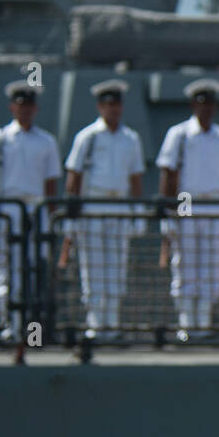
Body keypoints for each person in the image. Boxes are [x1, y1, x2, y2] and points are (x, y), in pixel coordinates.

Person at [58, 79, 146, 346]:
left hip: (118, 207)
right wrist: (70, 219)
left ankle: (113, 323)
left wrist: (137, 214)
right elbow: (73, 178)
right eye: (108, 104)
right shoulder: (87, 137)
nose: (113, 109)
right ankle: (96, 325)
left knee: (116, 268)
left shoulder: (131, 139)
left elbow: (135, 180)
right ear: (100, 106)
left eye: (116, 104)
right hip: (92, 207)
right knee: (93, 268)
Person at [156, 78, 219, 342]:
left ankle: (203, 322)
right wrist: (169, 216)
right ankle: (186, 324)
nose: (206, 108)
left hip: (214, 203)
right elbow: (168, 176)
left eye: (211, 103)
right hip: (186, 202)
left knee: (212, 266)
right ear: (194, 105)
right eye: (202, 103)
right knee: (185, 265)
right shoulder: (178, 135)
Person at [0, 80, 61, 344]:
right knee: (7, 271)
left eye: (29, 106)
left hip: (35, 211)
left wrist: (50, 219)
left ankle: (33, 328)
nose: (24, 110)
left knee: (35, 269)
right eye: (20, 105)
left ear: (35, 109)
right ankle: (10, 325)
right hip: (8, 209)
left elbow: (51, 186)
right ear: (11, 107)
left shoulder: (47, 142)